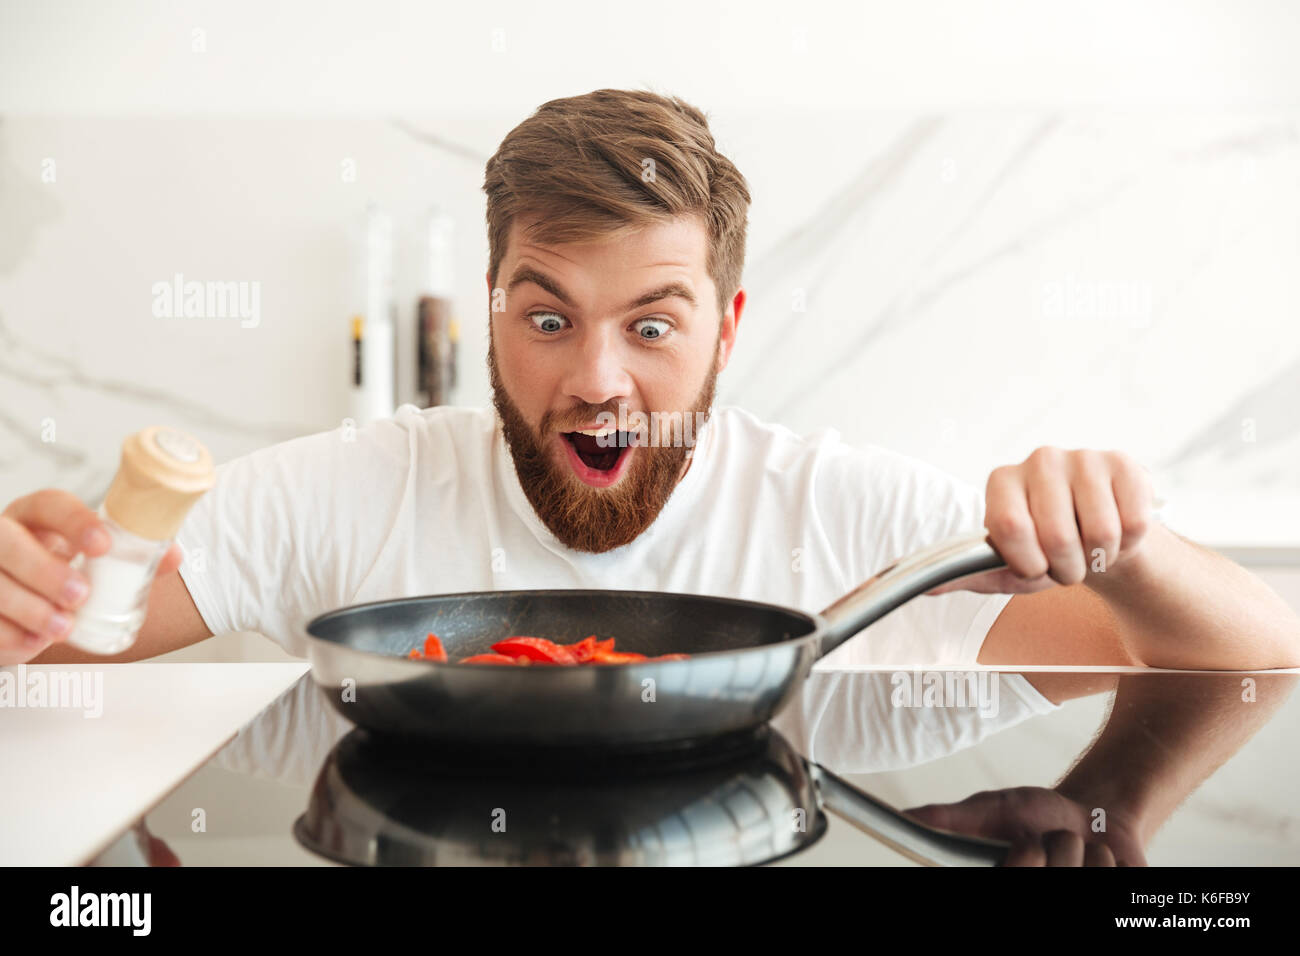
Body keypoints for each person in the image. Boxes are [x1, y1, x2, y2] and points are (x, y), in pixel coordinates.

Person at [5, 90, 1298, 711]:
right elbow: (79, 638)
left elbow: (1255, 658)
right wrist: (29, 587)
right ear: (493, 307)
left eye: (655, 324)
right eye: (548, 316)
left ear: (727, 330)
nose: (596, 380)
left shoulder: (852, 517)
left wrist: (1131, 540)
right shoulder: (352, 488)